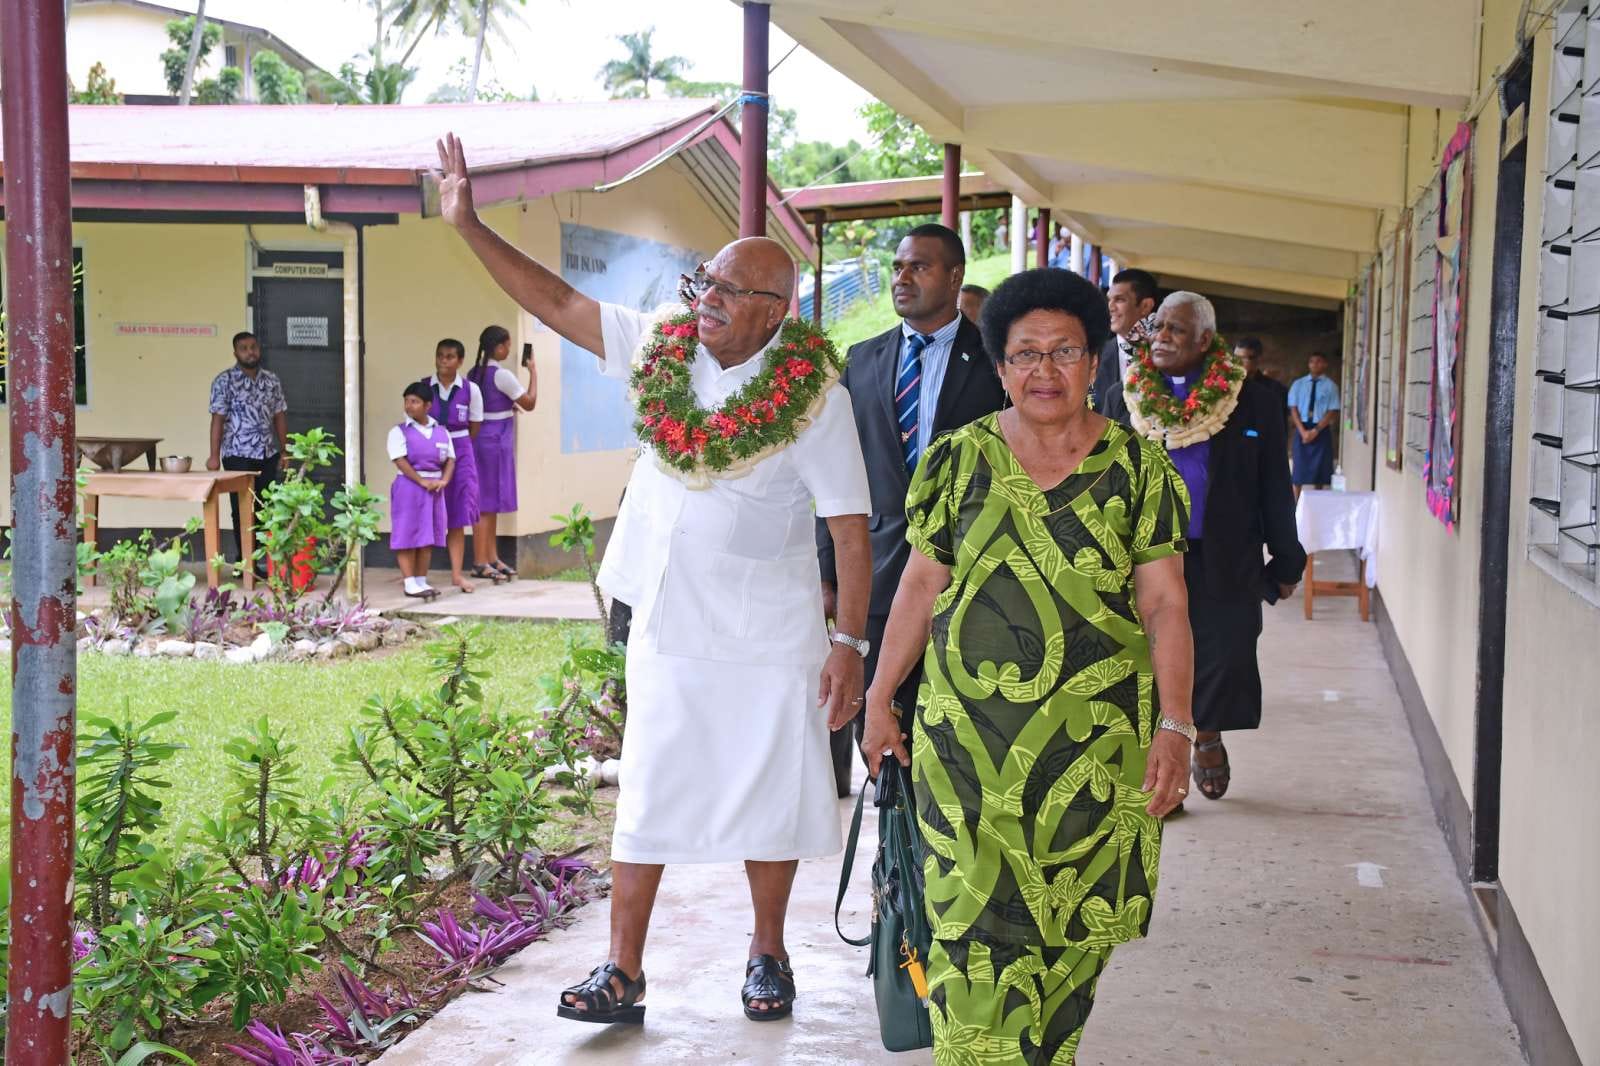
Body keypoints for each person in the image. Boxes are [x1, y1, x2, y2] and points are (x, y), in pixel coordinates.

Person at [434, 132, 873, 1026]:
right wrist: (467, 225)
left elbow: (850, 529)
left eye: (723, 289)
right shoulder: (659, 348)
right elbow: (555, 298)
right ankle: (622, 973)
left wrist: (850, 643)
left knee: (770, 784)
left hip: (767, 625)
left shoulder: (817, 397)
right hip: (664, 611)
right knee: (650, 781)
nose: (703, 300)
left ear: (775, 308)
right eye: (700, 283)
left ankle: (768, 956)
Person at [861, 267, 1195, 1065]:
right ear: (1001, 365)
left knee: (1069, 954)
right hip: (964, 751)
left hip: (1097, 751)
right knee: (973, 950)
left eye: (1065, 352)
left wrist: (1178, 724)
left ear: (1094, 361)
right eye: (1025, 355)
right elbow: (919, 582)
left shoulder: (1138, 470)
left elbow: (1166, 607)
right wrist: (879, 697)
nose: (1045, 371)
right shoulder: (956, 461)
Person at [817, 223, 1005, 795]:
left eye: (919, 267)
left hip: (967, 575)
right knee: (881, 727)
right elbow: (833, 474)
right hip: (875, 571)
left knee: (953, 734)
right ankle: (896, 867)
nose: (902, 277)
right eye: (898, 266)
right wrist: (826, 571)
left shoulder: (996, 362)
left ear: (954, 277)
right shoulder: (864, 360)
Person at [1104, 292, 1306, 801]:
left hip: (1221, 553)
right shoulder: (1120, 397)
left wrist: (1286, 558)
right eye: (1159, 327)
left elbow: (1273, 490)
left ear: (1205, 340)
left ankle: (1207, 731)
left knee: (1223, 652)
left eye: (1176, 329)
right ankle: (1163, 759)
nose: (1163, 337)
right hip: (1144, 555)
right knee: (1147, 652)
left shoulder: (1252, 399)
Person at [207, 330, 287, 568]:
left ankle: (265, 562)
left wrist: (284, 451)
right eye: (244, 348)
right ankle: (245, 563)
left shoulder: (271, 380)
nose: (250, 352)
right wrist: (213, 456)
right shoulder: (224, 381)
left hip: (267, 453)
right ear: (235, 352)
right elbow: (217, 420)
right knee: (241, 509)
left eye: (253, 347)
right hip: (237, 455)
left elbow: (280, 416)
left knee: (266, 507)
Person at [466, 324, 538, 581]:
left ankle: (491, 557)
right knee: (486, 503)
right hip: (495, 441)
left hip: (482, 439)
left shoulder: (474, 372)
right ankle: (479, 560)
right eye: (507, 344)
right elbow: (529, 403)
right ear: (498, 347)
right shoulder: (502, 375)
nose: (509, 349)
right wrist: (533, 373)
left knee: (490, 500)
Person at [387, 381, 454, 600]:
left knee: (428, 534)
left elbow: (451, 460)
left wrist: (443, 480)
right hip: (409, 488)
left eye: (414, 402)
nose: (409, 406)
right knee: (408, 532)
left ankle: (421, 580)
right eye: (406, 401)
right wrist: (421, 481)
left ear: (428, 405)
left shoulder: (442, 432)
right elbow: (400, 460)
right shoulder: (398, 432)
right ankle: (409, 582)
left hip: (434, 489)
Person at [427, 339, 484, 593]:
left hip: (461, 451)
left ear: (460, 361)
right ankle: (419, 575)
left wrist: (454, 447)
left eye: (450, 357)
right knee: (426, 510)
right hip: (429, 451)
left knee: (458, 514)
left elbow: (474, 426)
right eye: (440, 356)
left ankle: (457, 574)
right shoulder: (425, 386)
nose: (443, 361)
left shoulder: (471, 390)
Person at [1092, 268, 1158, 416]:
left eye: (1120, 299)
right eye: (1109, 299)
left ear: (1145, 306)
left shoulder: (1167, 355)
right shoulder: (1093, 356)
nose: (1110, 307)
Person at [1288, 351, 1340, 498]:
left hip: (1321, 428)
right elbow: (1293, 408)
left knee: (1321, 469)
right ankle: (1295, 505)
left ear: (1325, 364)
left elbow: (1332, 411)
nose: (1315, 364)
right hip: (1302, 427)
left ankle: (1318, 501)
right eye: (1312, 361)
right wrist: (1303, 431)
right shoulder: (1298, 384)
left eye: (1318, 361)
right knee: (1299, 469)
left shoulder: (1331, 386)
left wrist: (1315, 431)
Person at [1235, 336, 1289, 417]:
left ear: (1258, 359)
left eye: (1243, 358)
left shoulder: (1275, 389)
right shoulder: (1227, 386)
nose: (1237, 362)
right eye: (1235, 357)